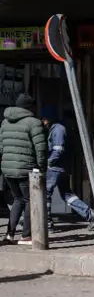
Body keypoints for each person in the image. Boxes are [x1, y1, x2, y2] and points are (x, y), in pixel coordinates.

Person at [39, 105, 94, 231]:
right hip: (63, 167)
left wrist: (49, 162)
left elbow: (58, 149)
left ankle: (47, 223)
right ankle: (91, 216)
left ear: (50, 118)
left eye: (44, 118)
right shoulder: (58, 128)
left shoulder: (57, 129)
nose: (43, 121)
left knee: (46, 194)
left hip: (56, 167)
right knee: (67, 195)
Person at [0, 94, 47, 244]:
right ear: (29, 107)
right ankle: (26, 235)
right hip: (26, 167)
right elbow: (41, 148)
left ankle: (9, 234)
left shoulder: (5, 122)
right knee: (29, 200)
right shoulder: (34, 123)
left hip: (8, 168)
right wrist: (41, 166)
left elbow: (2, 146)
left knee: (17, 199)